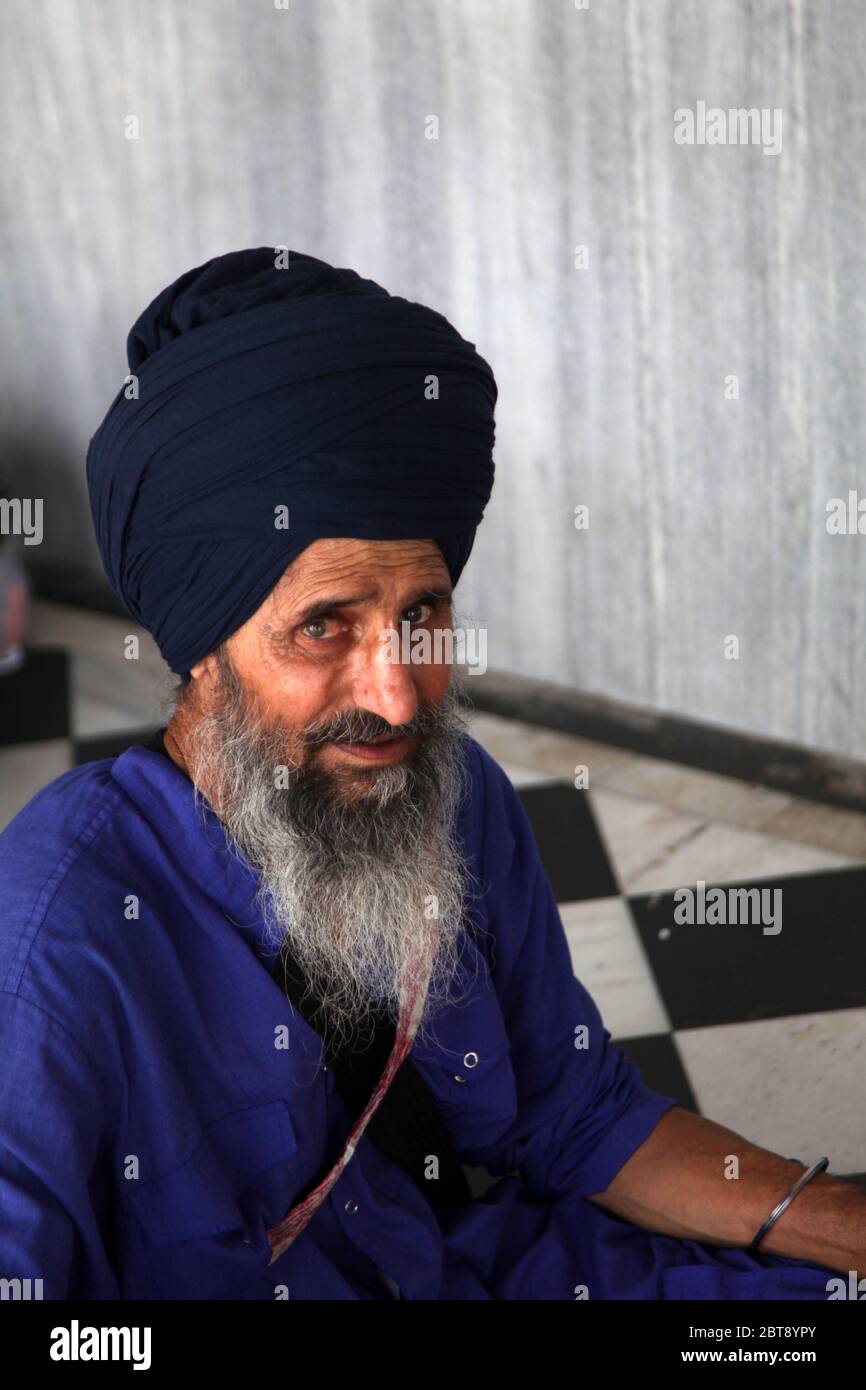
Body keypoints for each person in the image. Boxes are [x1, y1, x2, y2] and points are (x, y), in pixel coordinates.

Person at [0, 249, 862, 1301]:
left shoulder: (448, 795)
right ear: (200, 649)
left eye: (421, 615)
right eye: (323, 626)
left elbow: (575, 1113)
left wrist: (835, 1225)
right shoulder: (51, 942)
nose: (401, 698)